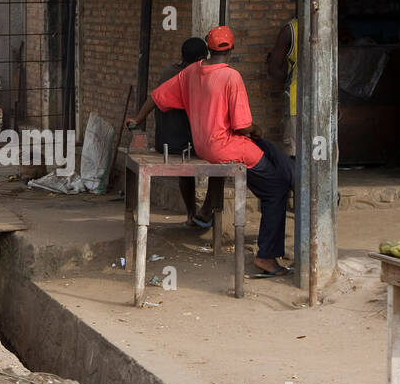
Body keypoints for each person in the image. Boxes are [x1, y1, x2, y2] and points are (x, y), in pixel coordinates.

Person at [127, 25, 294, 278]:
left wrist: (137, 119)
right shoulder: (231, 77)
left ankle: (298, 182)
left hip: (203, 145)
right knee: (276, 187)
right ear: (233, 49)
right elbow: (243, 126)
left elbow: (157, 96)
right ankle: (267, 257)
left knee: (272, 154)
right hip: (226, 146)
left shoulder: (192, 72)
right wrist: (257, 128)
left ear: (208, 48)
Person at [152, 36, 209, 225]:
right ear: (201, 57)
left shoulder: (168, 71)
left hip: (163, 142)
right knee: (223, 161)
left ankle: (192, 213)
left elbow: (154, 98)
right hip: (182, 145)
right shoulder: (191, 76)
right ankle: (205, 212)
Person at [266, 15, 297, 155]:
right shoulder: (290, 30)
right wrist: (289, 83)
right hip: (296, 103)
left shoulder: (329, 25)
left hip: (323, 101)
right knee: (294, 152)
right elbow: (273, 68)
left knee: (322, 153)